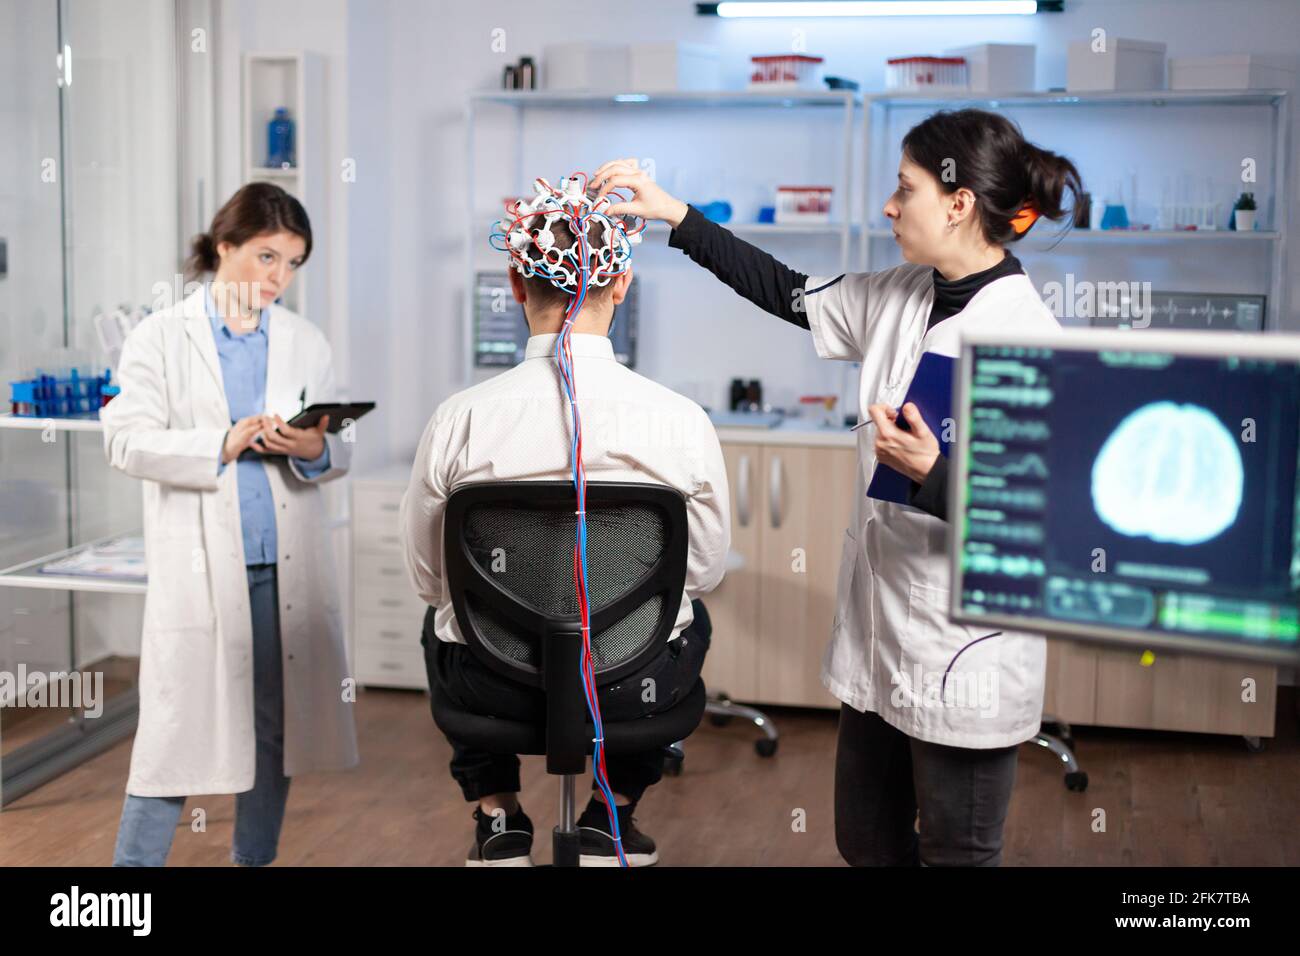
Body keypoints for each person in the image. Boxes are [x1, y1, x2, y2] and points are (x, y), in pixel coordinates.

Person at [594, 108, 1084, 866]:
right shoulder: (899, 295)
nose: (889, 207)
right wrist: (675, 216)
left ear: (957, 204)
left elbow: (1048, 526)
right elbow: (784, 290)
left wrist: (935, 477)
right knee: (866, 843)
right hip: (881, 639)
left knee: (957, 852)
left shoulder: (1029, 338)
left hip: (966, 654)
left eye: (904, 189)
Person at [400, 179, 730, 867]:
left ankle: (497, 815)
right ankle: (614, 813)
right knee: (690, 619)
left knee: (439, 624)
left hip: (493, 685)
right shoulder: (680, 420)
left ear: (517, 285)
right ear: (623, 284)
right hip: (630, 686)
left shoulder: (459, 419)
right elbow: (703, 572)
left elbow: (430, 581)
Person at [102, 182, 358, 866]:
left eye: (293, 264)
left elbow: (336, 450)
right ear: (224, 248)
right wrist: (220, 441)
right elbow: (125, 441)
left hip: (284, 565)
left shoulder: (305, 341)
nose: (279, 277)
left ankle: (254, 859)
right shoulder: (160, 337)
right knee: (174, 731)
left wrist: (315, 448)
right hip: (202, 567)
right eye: (267, 257)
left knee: (276, 731)